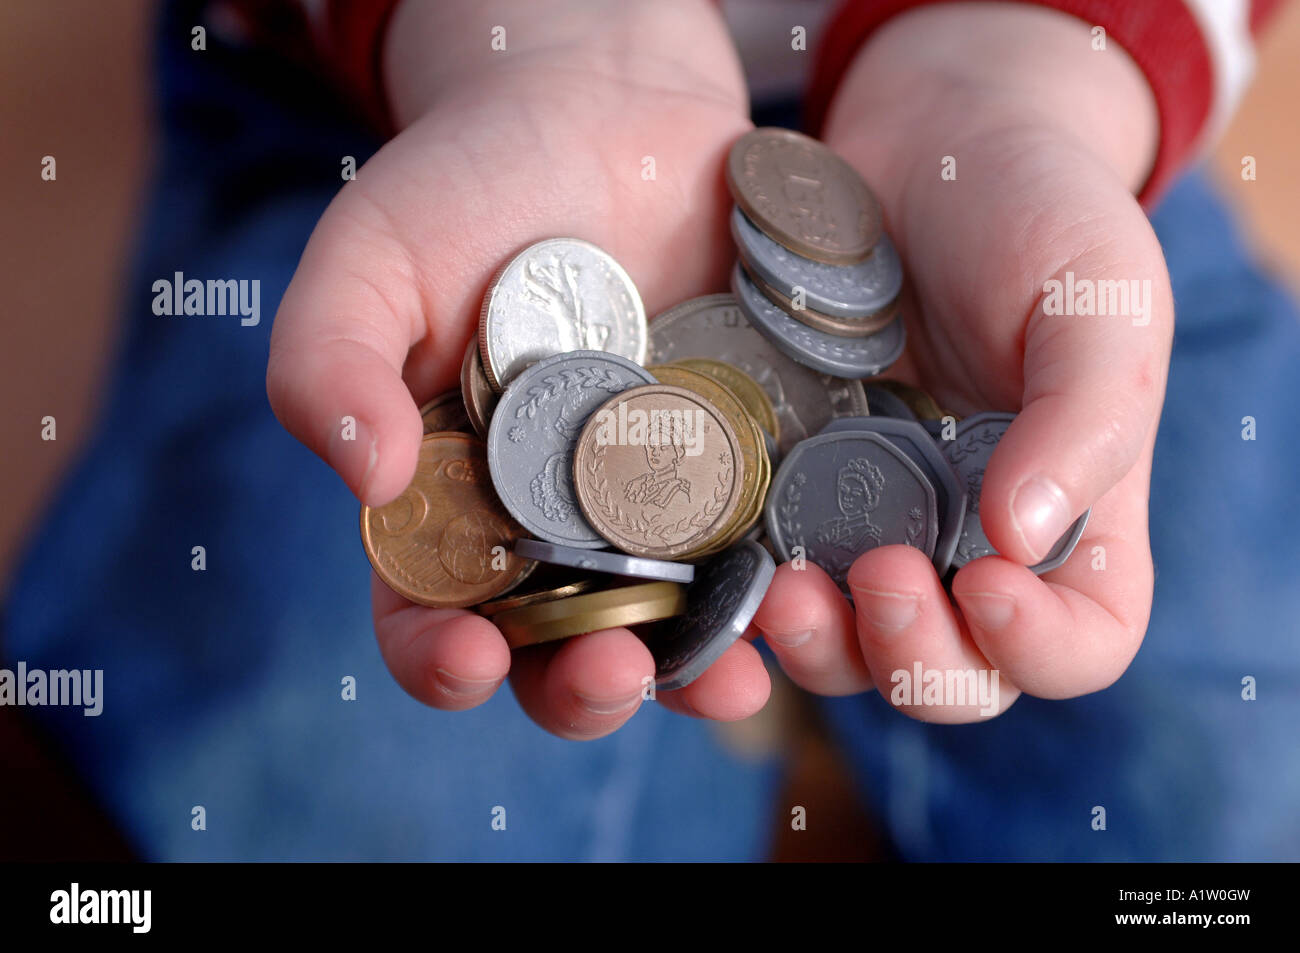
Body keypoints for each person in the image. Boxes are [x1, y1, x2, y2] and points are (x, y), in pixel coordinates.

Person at [7, 0, 1298, 860]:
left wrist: (1029, 76)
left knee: (1236, 769)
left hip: (1042, 95)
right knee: (315, 774)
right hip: (425, 95)